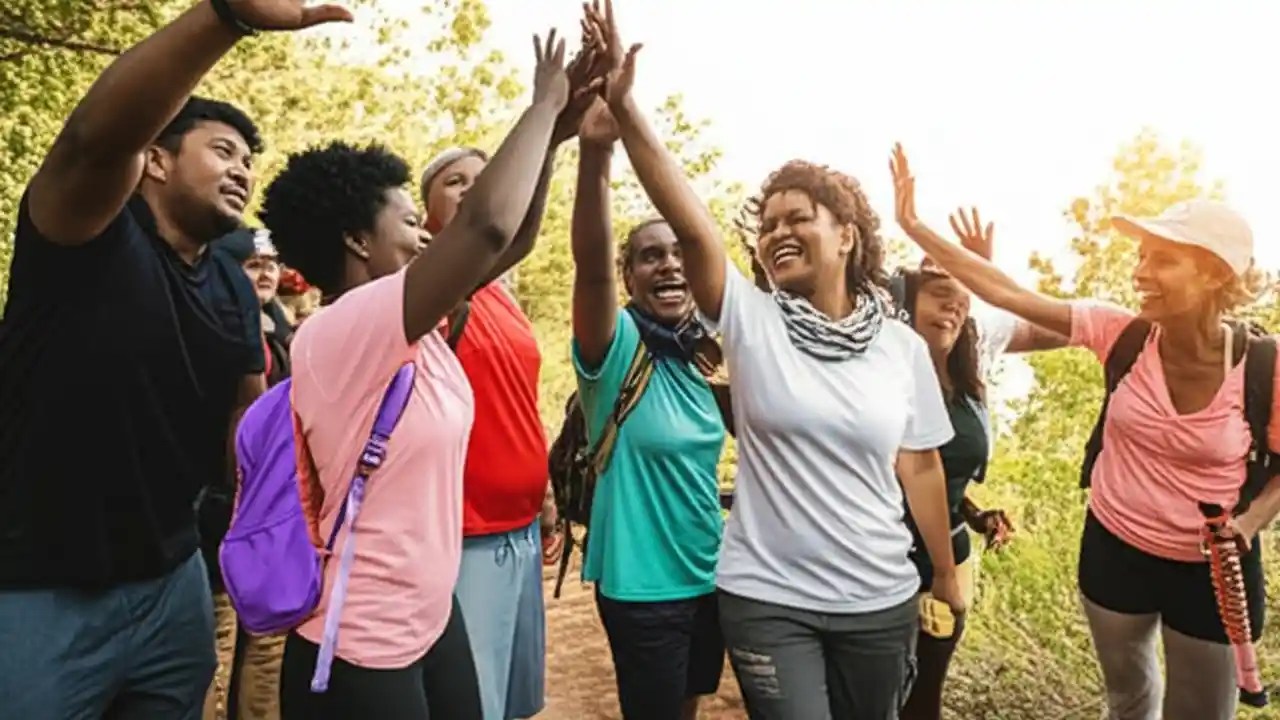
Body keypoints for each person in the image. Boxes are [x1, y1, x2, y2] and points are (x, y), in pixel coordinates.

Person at [585, 3, 964, 716]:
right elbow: (692, 226)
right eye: (767, 225)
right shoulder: (751, 322)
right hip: (767, 597)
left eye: (799, 219)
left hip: (879, 597)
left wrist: (944, 573)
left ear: (846, 236)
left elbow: (920, 465)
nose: (777, 233)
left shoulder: (900, 347)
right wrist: (628, 111)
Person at [0, 3, 352, 718]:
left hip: (172, 584)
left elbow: (244, 423)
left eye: (249, 160)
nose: (242, 170)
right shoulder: (86, 231)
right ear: (154, 159)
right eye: (222, 150)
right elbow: (97, 140)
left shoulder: (229, 280)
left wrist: (291, 527)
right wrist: (227, 16)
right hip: (37, 590)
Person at [260, 28, 587, 719]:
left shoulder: (420, 330)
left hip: (430, 618)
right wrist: (541, 102)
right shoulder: (345, 330)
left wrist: (554, 137)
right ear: (356, 240)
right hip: (359, 643)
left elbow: (513, 238)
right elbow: (485, 229)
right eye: (411, 221)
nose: (426, 236)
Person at [890, 144, 1280, 720]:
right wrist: (914, 226)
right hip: (1114, 551)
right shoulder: (1118, 333)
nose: (1140, 272)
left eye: (1161, 259)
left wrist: (1247, 523)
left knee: (1201, 712)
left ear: (1214, 272)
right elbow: (1007, 294)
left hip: (1211, 571)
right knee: (1129, 701)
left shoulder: (1264, 368)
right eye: (1140, 256)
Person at [416, 90, 591, 714]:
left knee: (514, 702)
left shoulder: (504, 299)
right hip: (463, 535)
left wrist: (542, 490)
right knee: (474, 705)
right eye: (455, 183)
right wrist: (548, 135)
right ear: (425, 215)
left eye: (482, 178)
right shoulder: (437, 286)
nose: (473, 188)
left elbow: (516, 402)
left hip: (516, 527)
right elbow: (500, 228)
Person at [568, 96, 728, 720]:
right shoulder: (616, 350)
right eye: (649, 255)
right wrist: (597, 154)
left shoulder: (709, 354)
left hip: (709, 574)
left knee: (688, 706)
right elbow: (589, 265)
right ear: (629, 274)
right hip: (641, 584)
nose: (668, 264)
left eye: (678, 252)